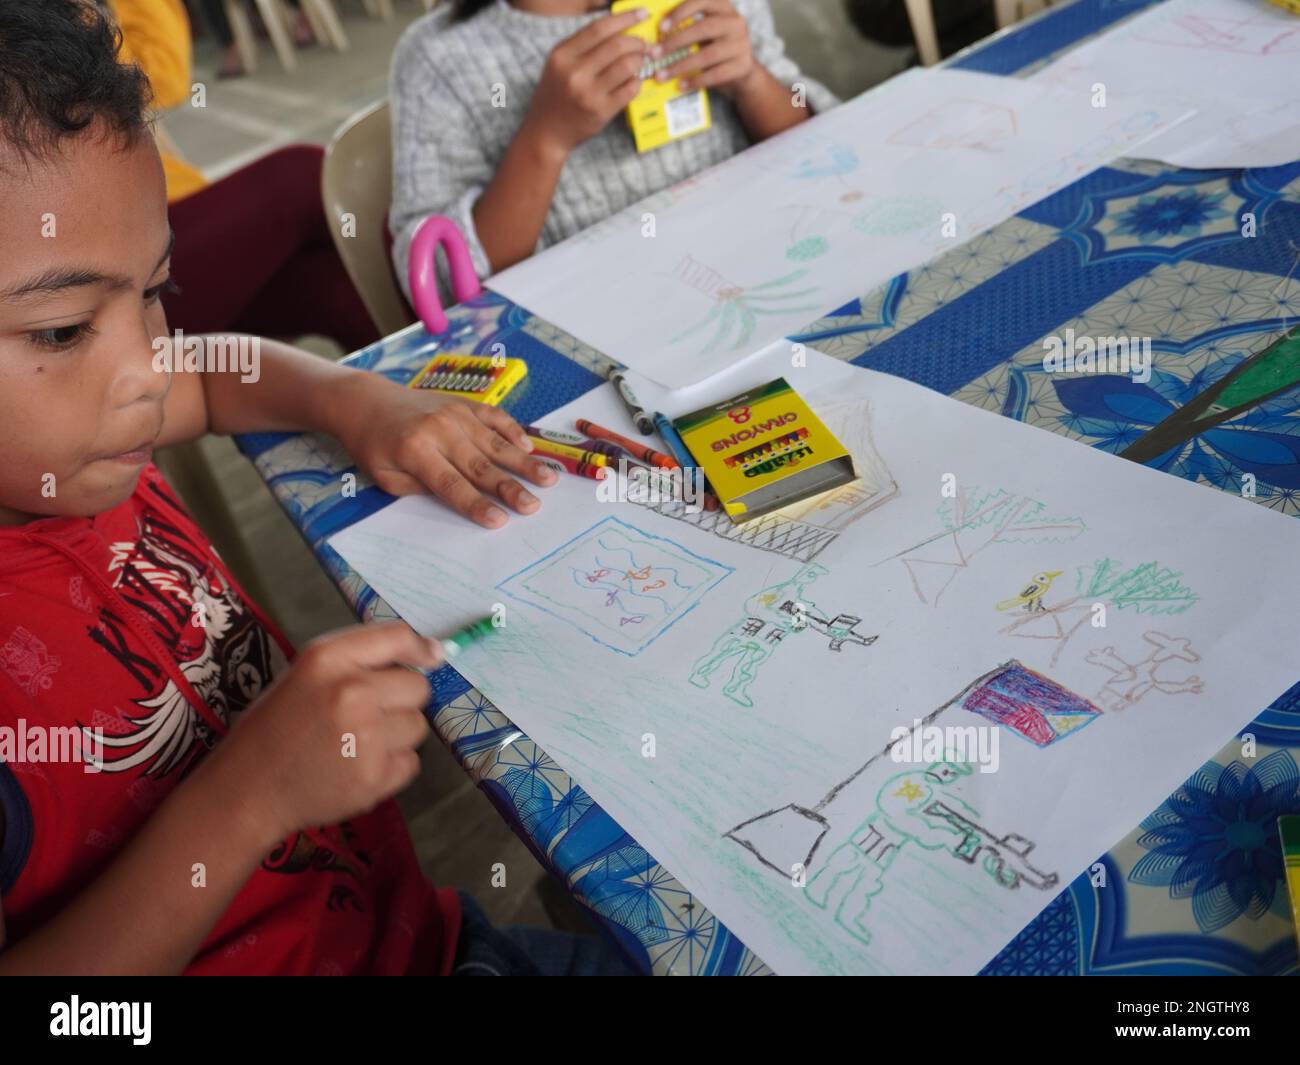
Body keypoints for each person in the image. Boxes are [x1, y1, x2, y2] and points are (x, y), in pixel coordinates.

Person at [0, 0, 636, 976]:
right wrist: (244, 802)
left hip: (421, 938)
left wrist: (353, 401)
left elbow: (209, 374)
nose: (147, 365)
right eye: (61, 330)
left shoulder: (72, 434)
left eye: (156, 291)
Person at [389, 0, 838, 296]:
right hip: (590, 342)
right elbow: (440, 282)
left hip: (773, 272)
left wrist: (751, 81)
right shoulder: (437, 59)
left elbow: (829, 152)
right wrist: (545, 140)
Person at [110, 0, 382, 353]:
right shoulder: (21, 30)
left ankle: (444, 388)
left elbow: (160, 75)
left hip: (169, 222)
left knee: (338, 283)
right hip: (119, 269)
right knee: (306, 177)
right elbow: (159, 78)